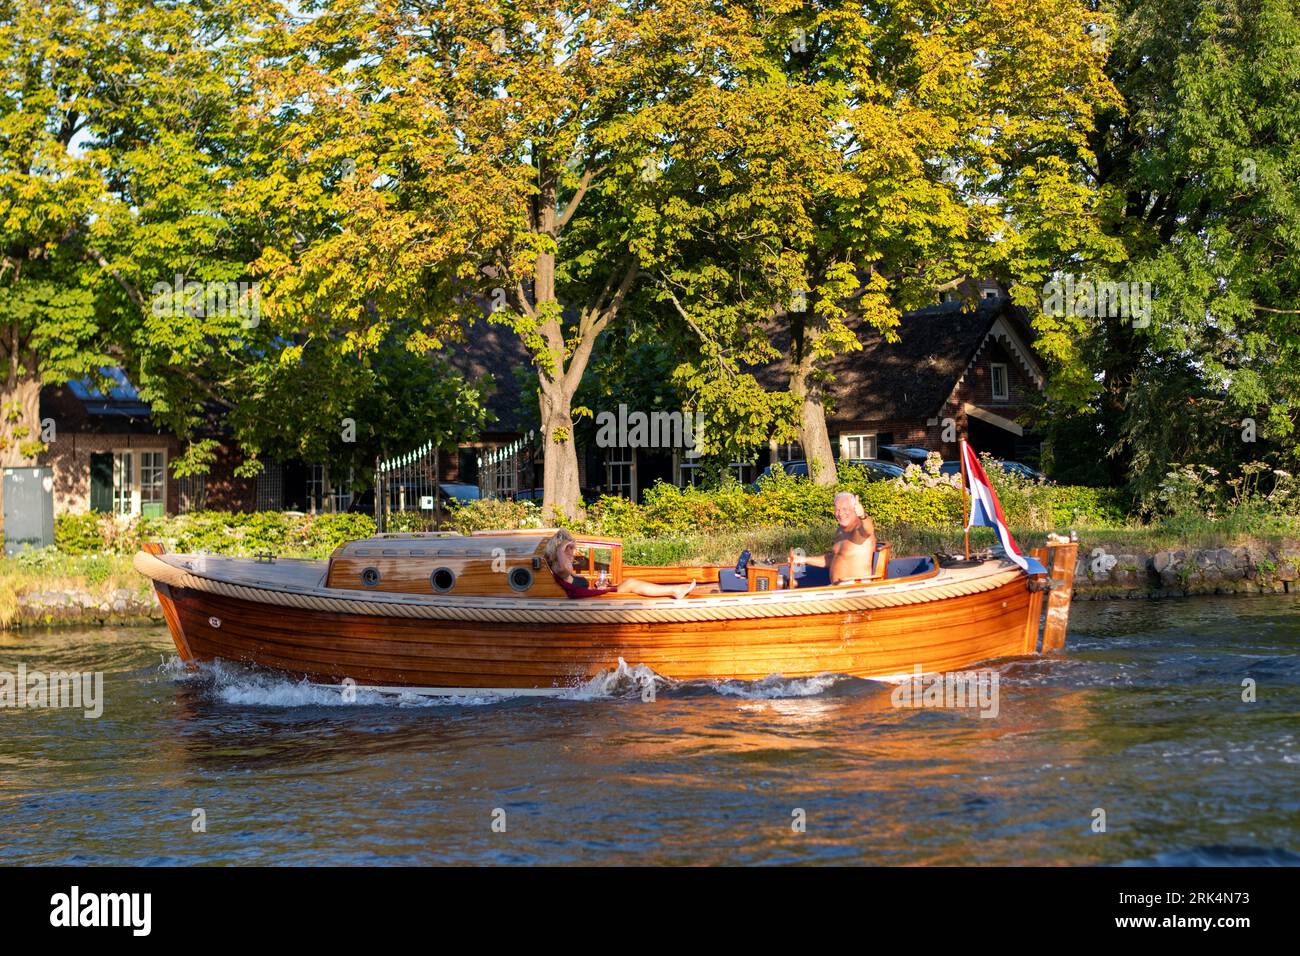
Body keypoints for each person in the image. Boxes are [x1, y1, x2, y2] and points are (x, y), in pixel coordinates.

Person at [543, 529, 695, 600]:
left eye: (572, 547)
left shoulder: (567, 568)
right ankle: (675, 591)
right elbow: (564, 567)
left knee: (628, 583)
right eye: (567, 548)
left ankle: (674, 590)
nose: (571, 551)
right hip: (588, 601)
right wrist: (562, 546)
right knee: (630, 584)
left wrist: (595, 587)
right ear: (557, 550)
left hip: (591, 597)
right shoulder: (559, 567)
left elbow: (578, 584)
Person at [791, 491, 878, 585]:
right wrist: (804, 560)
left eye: (845, 509)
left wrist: (862, 516)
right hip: (837, 588)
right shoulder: (840, 530)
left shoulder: (859, 529)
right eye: (838, 509)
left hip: (855, 589)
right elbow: (835, 558)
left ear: (854, 509)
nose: (840, 513)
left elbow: (868, 530)